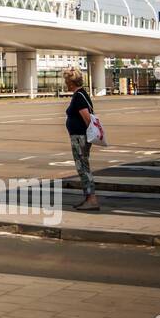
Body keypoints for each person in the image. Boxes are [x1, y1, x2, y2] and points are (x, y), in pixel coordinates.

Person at [63, 66, 100, 211]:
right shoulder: (81, 94)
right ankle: (88, 198)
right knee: (83, 168)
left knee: (83, 169)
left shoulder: (79, 97)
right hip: (80, 137)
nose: (65, 84)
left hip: (80, 138)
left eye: (66, 81)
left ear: (71, 83)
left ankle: (92, 199)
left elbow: (87, 119)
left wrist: (87, 140)